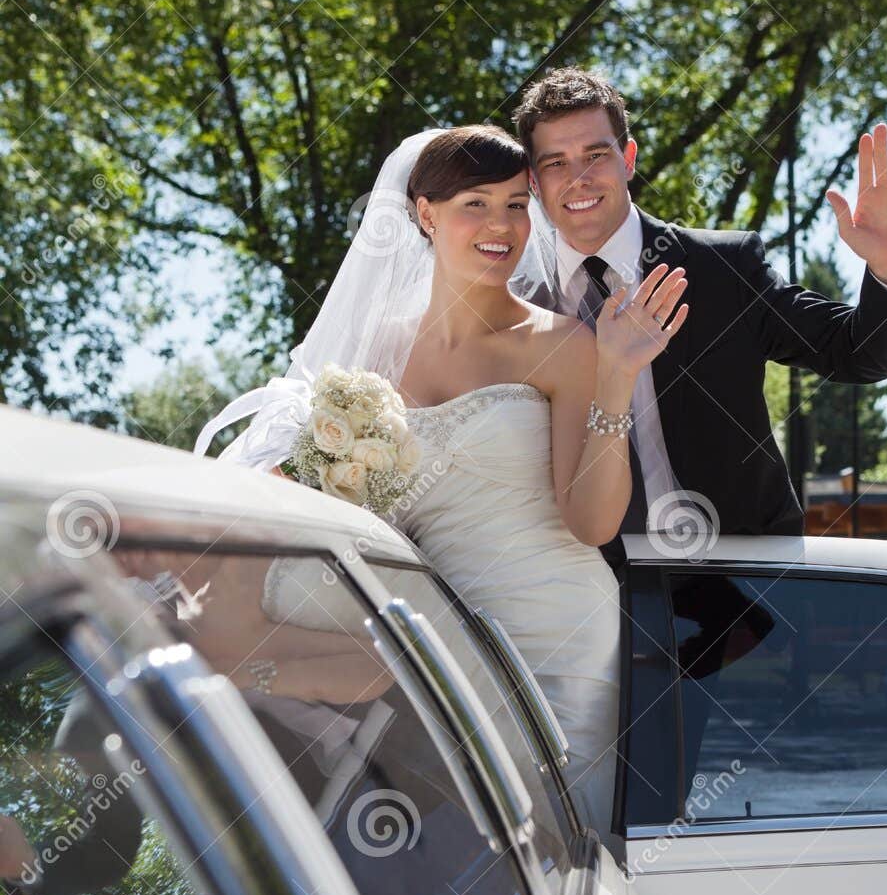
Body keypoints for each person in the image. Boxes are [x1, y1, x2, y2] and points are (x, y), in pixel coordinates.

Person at [194, 125, 688, 835]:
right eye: (475, 204)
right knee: (486, 855)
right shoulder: (374, 355)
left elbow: (592, 524)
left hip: (559, 627)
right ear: (424, 213)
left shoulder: (560, 344)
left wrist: (616, 377)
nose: (501, 226)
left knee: (569, 846)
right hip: (444, 637)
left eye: (517, 205)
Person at [509, 66, 887, 572]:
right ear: (534, 182)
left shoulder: (723, 269)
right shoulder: (521, 306)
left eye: (596, 155)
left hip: (743, 591)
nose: (578, 178)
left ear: (628, 158)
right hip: (586, 589)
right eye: (555, 163)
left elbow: (860, 353)